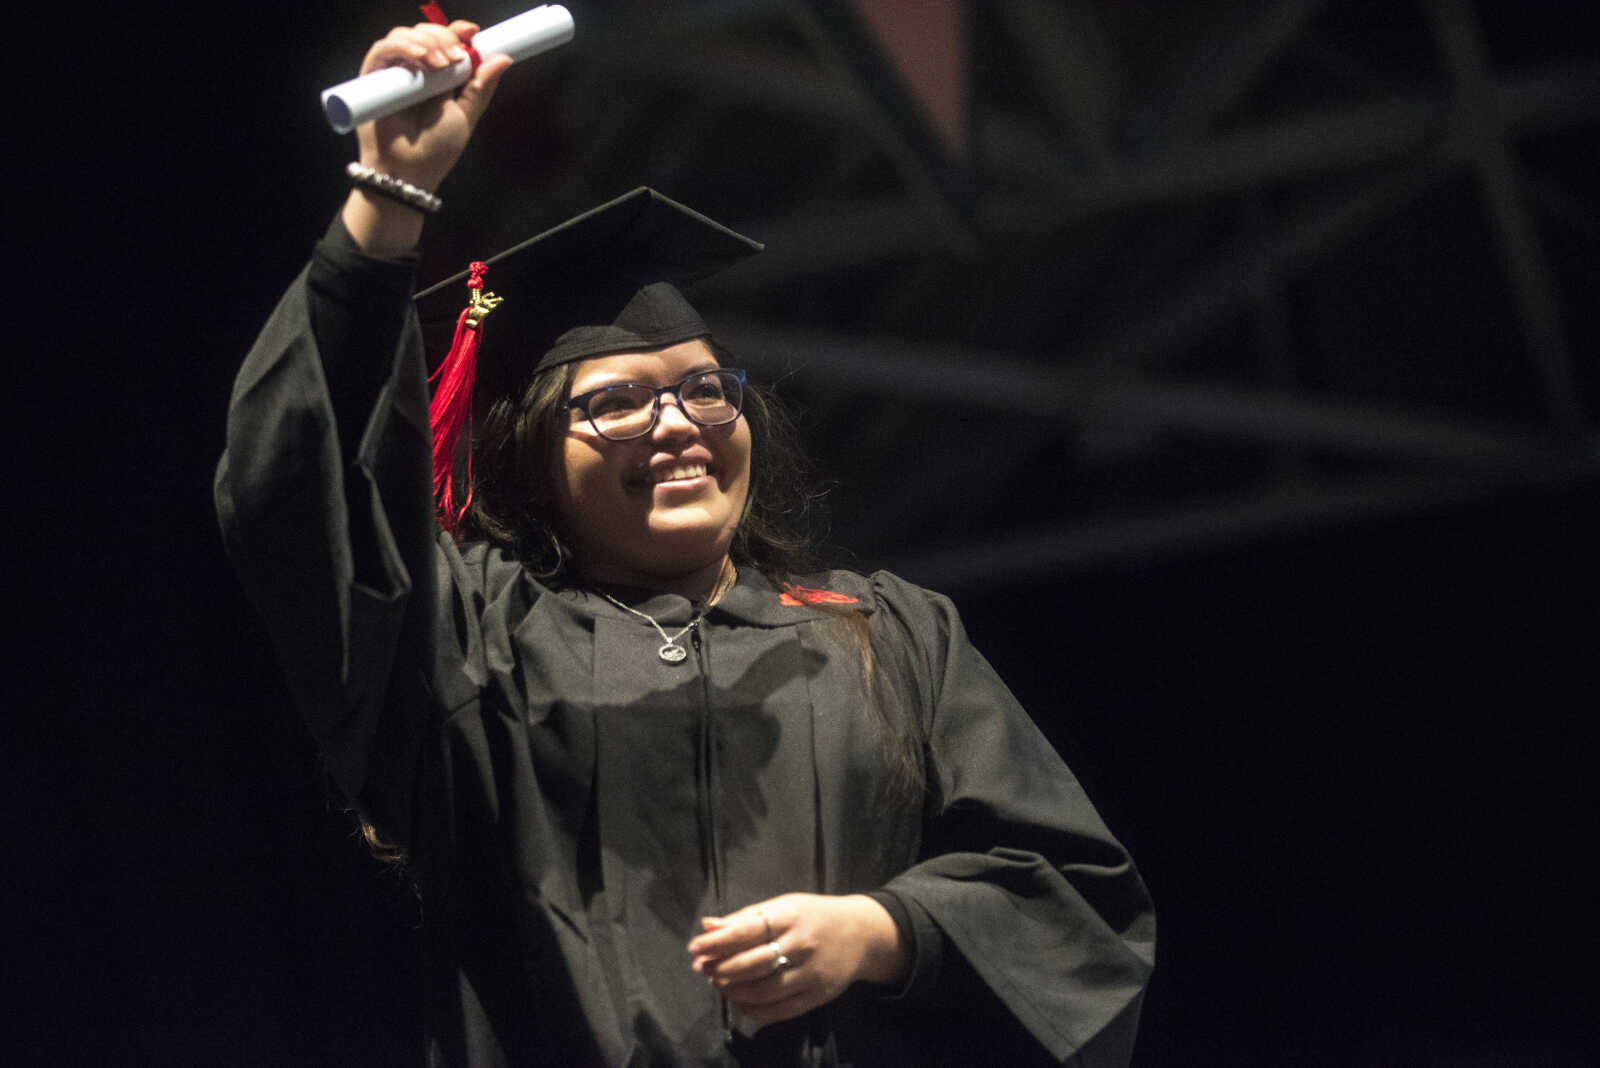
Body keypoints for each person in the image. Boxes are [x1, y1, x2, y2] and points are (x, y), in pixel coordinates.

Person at [216, 18, 1154, 1067]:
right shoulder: (468, 645)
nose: (677, 424)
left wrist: (885, 933)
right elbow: (302, 500)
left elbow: (1074, 900)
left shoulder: (887, 639)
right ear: (532, 460)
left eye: (705, 389)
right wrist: (386, 201)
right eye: (618, 403)